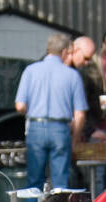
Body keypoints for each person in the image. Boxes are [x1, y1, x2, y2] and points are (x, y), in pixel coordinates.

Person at [14, 33, 86, 190]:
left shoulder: (30, 71)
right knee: (60, 182)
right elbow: (79, 114)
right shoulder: (72, 75)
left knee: (33, 182)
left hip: (36, 128)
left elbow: (20, 106)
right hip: (60, 129)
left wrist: (33, 110)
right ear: (65, 52)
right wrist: (74, 139)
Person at [71, 36, 106, 139]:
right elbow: (80, 108)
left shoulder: (90, 67)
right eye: (86, 58)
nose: (86, 62)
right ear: (76, 50)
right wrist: (89, 130)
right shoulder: (77, 73)